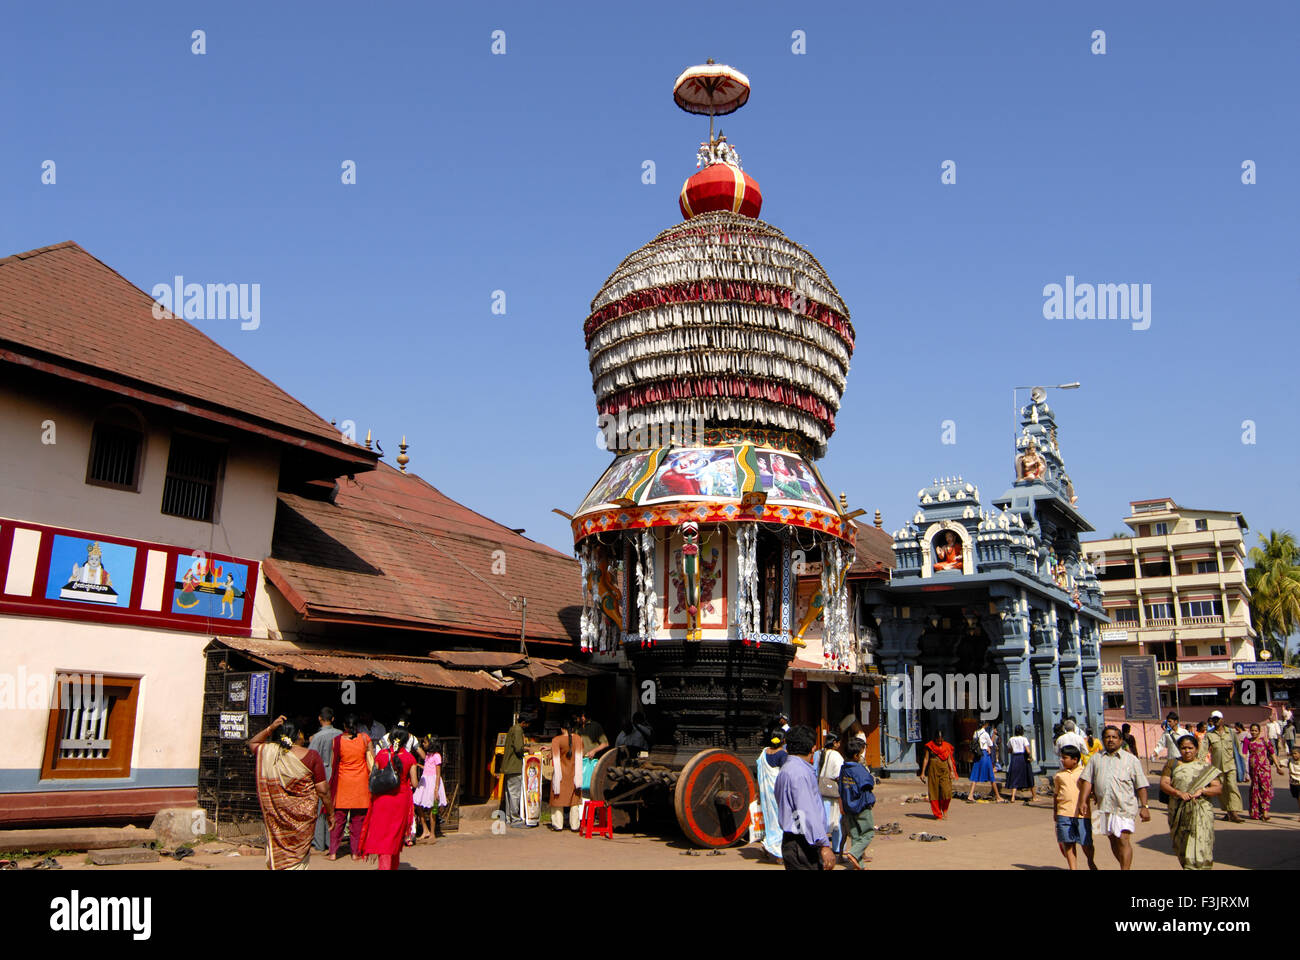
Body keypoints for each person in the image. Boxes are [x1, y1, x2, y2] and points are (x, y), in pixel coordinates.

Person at [247, 716, 332, 870]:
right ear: (298, 734)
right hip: (303, 824)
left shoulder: (269, 752)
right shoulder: (311, 756)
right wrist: (331, 814)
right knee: (298, 862)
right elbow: (323, 791)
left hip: (276, 820)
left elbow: (253, 742)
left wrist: (270, 728)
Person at [1076, 725, 1151, 870]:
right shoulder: (1095, 759)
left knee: (1123, 839)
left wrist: (1145, 806)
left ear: (1120, 740)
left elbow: (1141, 785)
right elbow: (1086, 781)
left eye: (1114, 737)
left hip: (1125, 807)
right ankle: (1124, 865)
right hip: (1104, 807)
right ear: (1103, 739)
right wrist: (1083, 800)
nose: (1110, 740)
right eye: (1107, 737)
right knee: (1112, 839)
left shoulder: (1131, 760)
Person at [773, 724, 836, 870]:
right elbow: (806, 812)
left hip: (791, 841)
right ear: (813, 748)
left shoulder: (785, 770)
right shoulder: (800, 773)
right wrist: (823, 845)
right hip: (803, 844)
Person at [1160, 733, 1223, 870]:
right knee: (1182, 845)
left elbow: (1218, 788)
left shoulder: (1204, 767)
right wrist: (1178, 793)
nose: (1187, 751)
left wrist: (1203, 791)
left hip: (1201, 810)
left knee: (1201, 844)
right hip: (1178, 810)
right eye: (1183, 748)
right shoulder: (1173, 764)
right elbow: (1164, 784)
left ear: (1196, 748)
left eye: (1190, 748)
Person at [358, 727, 419, 869]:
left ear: (390, 738)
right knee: (395, 837)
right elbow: (415, 783)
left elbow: (374, 776)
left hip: (382, 800)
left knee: (383, 836)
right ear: (406, 740)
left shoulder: (381, 756)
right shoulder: (410, 758)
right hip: (401, 800)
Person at [329, 713, 374, 860]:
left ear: (344, 726)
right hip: (360, 784)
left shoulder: (337, 741)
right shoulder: (365, 739)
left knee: (339, 819)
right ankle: (355, 853)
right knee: (357, 821)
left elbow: (332, 762)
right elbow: (371, 761)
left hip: (343, 784)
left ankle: (333, 852)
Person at [1053, 745, 1095, 870]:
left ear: (1075, 759)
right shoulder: (1059, 776)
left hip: (1082, 814)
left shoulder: (1084, 773)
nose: (1062, 760)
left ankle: (1090, 861)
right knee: (1068, 842)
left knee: (1086, 843)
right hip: (1064, 813)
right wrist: (1055, 811)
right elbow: (1056, 795)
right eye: (1061, 757)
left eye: (1065, 758)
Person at [837, 738, 875, 870]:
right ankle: (853, 853)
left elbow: (841, 788)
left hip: (848, 806)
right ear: (856, 755)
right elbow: (868, 783)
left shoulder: (844, 768)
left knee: (855, 835)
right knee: (868, 832)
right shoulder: (858, 768)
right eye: (861, 754)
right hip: (861, 806)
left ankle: (859, 865)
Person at [308, 707, 343, 851]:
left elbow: (311, 757)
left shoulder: (317, 737)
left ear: (319, 718)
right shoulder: (341, 734)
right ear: (333, 719)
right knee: (333, 809)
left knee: (319, 809)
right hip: (337, 774)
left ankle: (319, 842)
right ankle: (332, 842)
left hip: (321, 775)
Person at [1203, 711, 1244, 824]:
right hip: (1217, 767)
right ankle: (1228, 812)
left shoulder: (1231, 733)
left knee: (1232, 787)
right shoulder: (1209, 735)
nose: (1216, 722)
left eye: (1217, 719)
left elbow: (1238, 750)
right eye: (1214, 720)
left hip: (1230, 765)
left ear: (1222, 720)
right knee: (1222, 790)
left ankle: (1234, 812)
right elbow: (1203, 750)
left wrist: (1242, 765)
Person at [755, 726, 787, 863]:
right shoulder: (782, 755)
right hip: (778, 792)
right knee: (781, 821)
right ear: (783, 740)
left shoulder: (764, 753)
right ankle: (779, 855)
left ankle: (767, 843)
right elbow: (785, 774)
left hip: (765, 793)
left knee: (769, 819)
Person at [1242, 722, 1284, 821]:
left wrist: (1278, 766)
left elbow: (1272, 753)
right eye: (1252, 730)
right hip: (1253, 770)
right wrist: (1244, 771)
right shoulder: (1247, 741)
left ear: (1259, 732)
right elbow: (1243, 755)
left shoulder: (1265, 741)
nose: (1253, 732)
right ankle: (1256, 812)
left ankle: (1265, 812)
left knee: (1265, 789)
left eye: (1256, 731)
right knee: (1255, 789)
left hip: (1264, 768)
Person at [549, 715, 584, 832]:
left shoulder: (556, 740)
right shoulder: (578, 739)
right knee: (574, 801)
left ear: (561, 728)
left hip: (561, 775)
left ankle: (558, 825)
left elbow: (555, 757)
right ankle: (575, 825)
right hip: (575, 774)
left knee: (558, 799)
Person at [413, 735, 446, 843]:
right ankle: (425, 829)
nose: (423, 744)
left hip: (432, 783)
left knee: (433, 807)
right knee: (417, 803)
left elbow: (437, 773)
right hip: (425, 781)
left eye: (425, 742)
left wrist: (436, 789)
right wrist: (419, 766)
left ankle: (432, 832)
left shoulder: (437, 756)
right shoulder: (428, 755)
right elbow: (428, 767)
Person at [919, 731, 958, 820]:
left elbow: (949, 760)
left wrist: (952, 771)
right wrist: (922, 772)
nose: (940, 742)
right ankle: (938, 814)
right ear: (935, 739)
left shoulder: (947, 746)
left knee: (946, 791)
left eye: (941, 740)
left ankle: (945, 810)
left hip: (944, 770)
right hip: (933, 770)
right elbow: (926, 759)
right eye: (938, 740)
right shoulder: (929, 746)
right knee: (934, 792)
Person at [502, 712, 529, 827]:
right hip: (514, 766)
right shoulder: (518, 730)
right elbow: (518, 748)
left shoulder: (512, 728)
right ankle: (515, 819)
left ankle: (509, 818)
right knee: (514, 793)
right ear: (524, 723)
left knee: (509, 793)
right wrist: (527, 749)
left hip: (509, 766)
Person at [967, 720, 1004, 802]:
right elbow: (991, 744)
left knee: (975, 776)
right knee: (991, 775)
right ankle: (998, 796)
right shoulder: (985, 734)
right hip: (984, 755)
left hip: (977, 755)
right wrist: (994, 734)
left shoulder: (975, 733)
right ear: (985, 725)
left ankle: (970, 795)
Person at [1005, 725, 1034, 802]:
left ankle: (1013, 797)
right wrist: (1030, 756)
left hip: (1014, 758)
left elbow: (1009, 750)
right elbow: (1028, 751)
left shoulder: (1011, 739)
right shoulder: (1024, 739)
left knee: (1015, 777)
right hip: (1023, 758)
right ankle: (1034, 796)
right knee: (1029, 776)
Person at [1287, 746, 1300, 811]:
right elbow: (1280, 763)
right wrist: (1278, 768)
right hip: (1293, 783)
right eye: (1292, 753)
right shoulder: (1290, 761)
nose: (1293, 755)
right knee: (1297, 798)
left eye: (1295, 753)